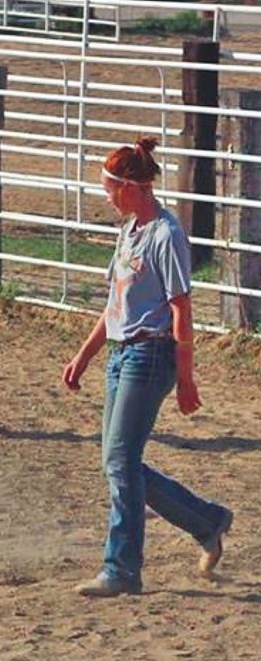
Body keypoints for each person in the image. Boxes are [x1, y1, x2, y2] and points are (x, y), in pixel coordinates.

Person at [62, 137, 233, 597]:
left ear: (131, 187)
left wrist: (185, 376)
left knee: (119, 462)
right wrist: (85, 355)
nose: (106, 196)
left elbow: (181, 309)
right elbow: (115, 305)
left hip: (150, 354)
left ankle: (122, 568)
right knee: (120, 463)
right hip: (123, 352)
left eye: (109, 188)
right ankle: (208, 521)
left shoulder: (166, 235)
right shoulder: (132, 230)